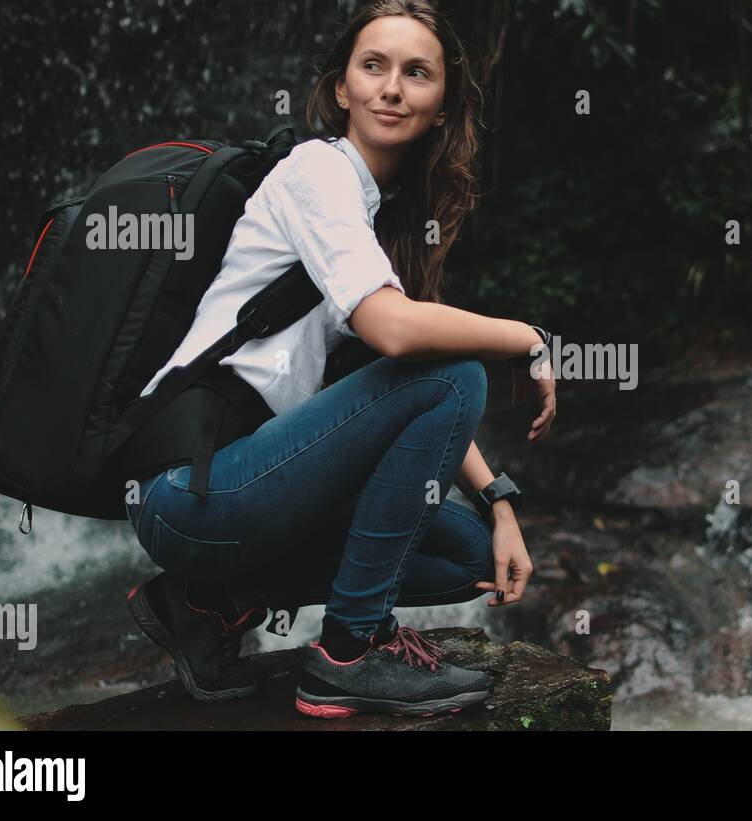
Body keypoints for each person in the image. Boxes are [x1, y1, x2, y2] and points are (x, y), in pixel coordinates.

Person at [121, 0, 556, 718]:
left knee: (473, 556)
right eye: (373, 66)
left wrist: (500, 499)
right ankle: (350, 654)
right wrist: (523, 335)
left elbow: (399, 383)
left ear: (443, 106)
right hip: (191, 486)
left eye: (416, 73)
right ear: (342, 88)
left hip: (260, 480)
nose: (391, 87)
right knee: (457, 372)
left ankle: (209, 599)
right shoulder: (316, 173)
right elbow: (401, 338)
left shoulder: (377, 217)